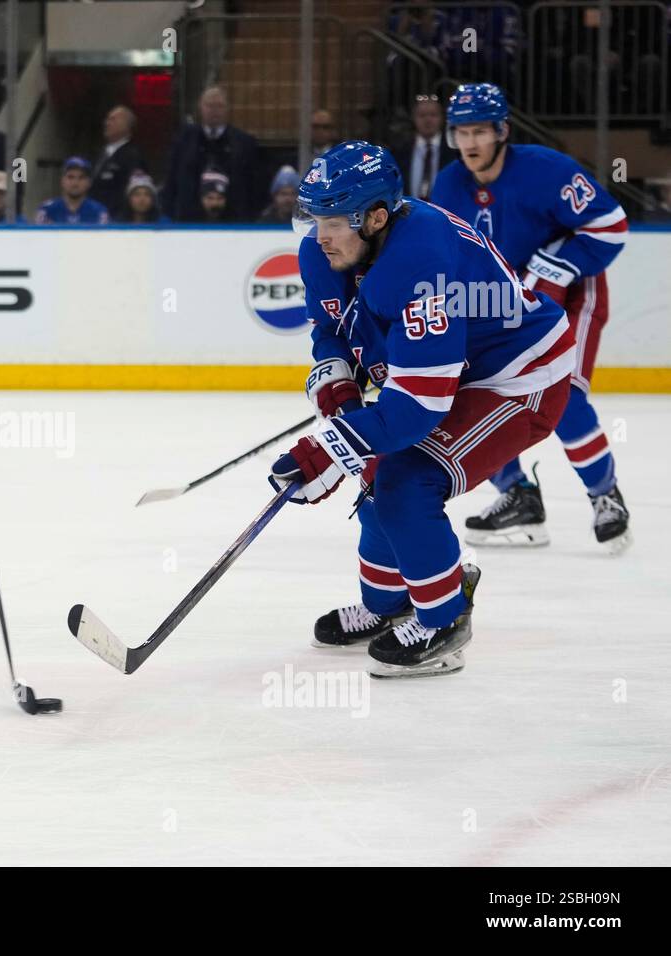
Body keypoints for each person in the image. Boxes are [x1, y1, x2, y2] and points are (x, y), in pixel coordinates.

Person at [269, 141, 576, 678]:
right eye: (314, 218)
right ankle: (389, 604)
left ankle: (445, 616)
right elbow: (330, 333)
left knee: (407, 480)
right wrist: (341, 401)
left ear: (376, 218)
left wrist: (330, 446)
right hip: (456, 370)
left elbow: (417, 407)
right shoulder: (330, 251)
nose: (319, 236)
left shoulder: (423, 263)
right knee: (376, 472)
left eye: (334, 221)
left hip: (517, 377)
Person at [431, 83, 631, 552]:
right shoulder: (448, 184)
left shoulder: (547, 170)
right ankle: (518, 496)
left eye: (480, 131)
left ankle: (606, 497)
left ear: (502, 130)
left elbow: (611, 226)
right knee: (473, 395)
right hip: (504, 304)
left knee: (565, 399)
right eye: (461, 132)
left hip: (570, 295)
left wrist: (552, 265)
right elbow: (444, 251)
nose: (470, 143)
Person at [161, 86, 258, 222]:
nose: (214, 111)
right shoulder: (183, 140)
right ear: (200, 107)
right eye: (210, 106)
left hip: (234, 221)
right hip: (188, 220)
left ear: (228, 108)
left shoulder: (244, 143)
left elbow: (253, 185)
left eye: (219, 106)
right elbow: (171, 179)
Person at [391, 93, 457, 200]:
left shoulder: (453, 151)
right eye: (422, 115)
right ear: (413, 118)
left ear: (442, 117)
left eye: (433, 115)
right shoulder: (400, 151)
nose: (428, 120)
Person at [89, 105, 144, 220]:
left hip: (117, 220)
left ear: (127, 125)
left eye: (113, 119)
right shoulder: (99, 154)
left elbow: (133, 190)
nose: (107, 123)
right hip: (94, 219)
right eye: (107, 119)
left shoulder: (133, 155)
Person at [34, 156, 109, 224]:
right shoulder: (47, 210)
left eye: (81, 178)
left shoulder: (99, 211)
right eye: (70, 177)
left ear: (89, 183)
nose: (75, 183)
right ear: (62, 181)